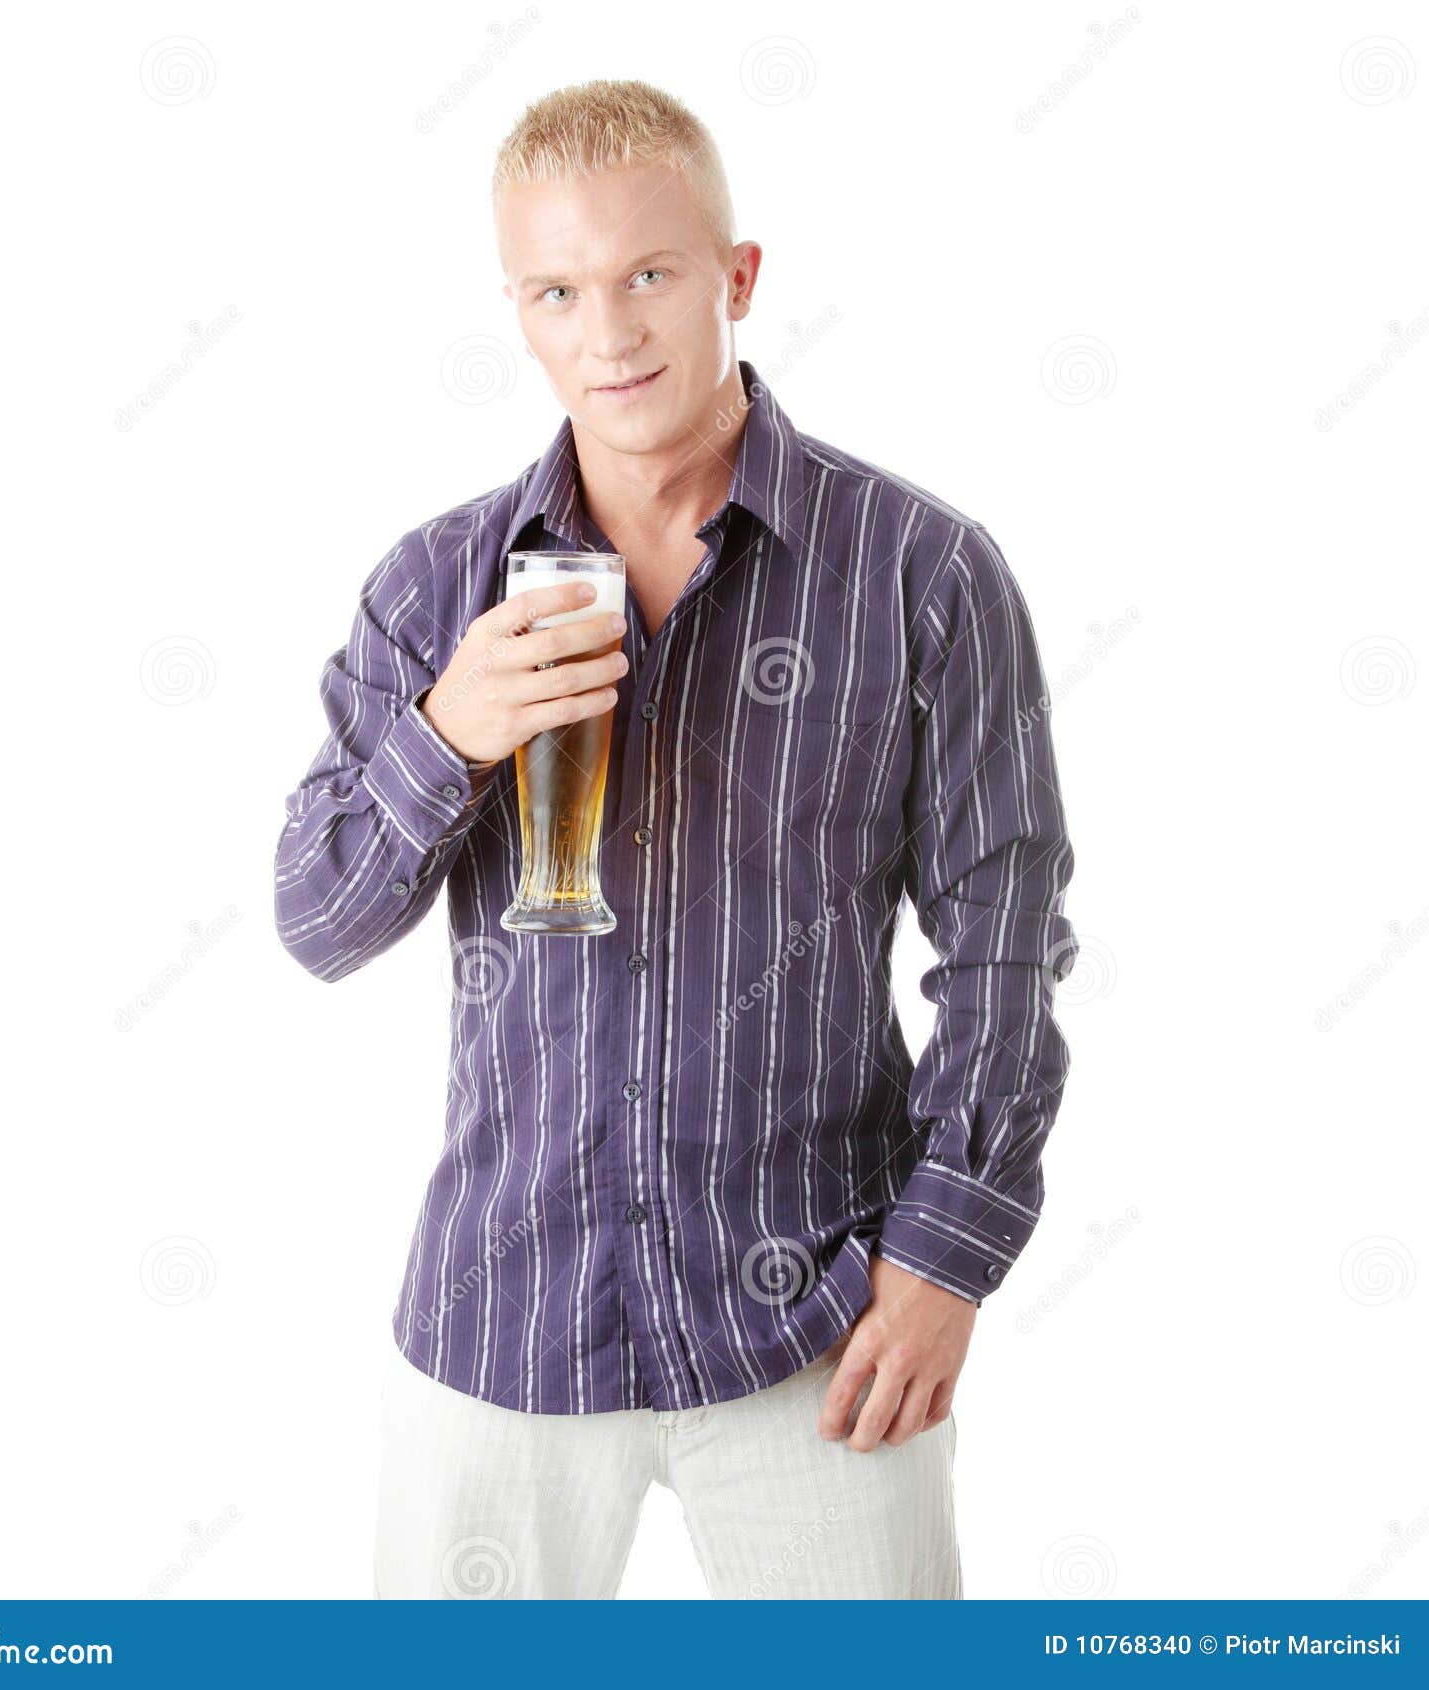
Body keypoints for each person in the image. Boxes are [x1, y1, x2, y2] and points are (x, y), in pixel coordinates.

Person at [275, 78, 1077, 1599]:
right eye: (558, 290)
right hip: (499, 1322)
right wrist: (446, 734)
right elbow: (315, 917)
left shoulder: (924, 573)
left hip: (819, 1326)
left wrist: (949, 1254)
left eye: (649, 272)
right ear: (518, 314)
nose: (610, 329)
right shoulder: (438, 585)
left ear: (738, 277)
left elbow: (1010, 934)